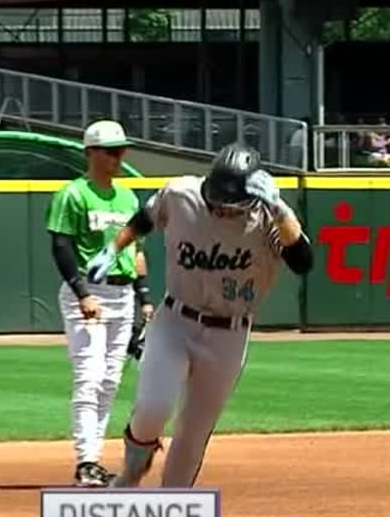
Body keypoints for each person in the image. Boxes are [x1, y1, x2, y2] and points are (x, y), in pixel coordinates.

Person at [83, 142, 314, 488]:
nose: (221, 211)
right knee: (153, 408)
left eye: (229, 206)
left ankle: (172, 514)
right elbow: (146, 219)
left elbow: (303, 261)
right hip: (175, 321)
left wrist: (281, 210)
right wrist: (114, 247)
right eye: (217, 202)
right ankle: (131, 472)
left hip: (229, 335)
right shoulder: (181, 194)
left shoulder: (267, 217)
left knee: (193, 432)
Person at [45, 119, 153, 487]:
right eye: (110, 151)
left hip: (123, 295)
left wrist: (145, 299)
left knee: (109, 380)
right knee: (89, 378)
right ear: (90, 153)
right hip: (88, 294)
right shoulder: (73, 194)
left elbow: (136, 250)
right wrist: (82, 293)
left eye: (121, 150)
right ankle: (85, 461)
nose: (117, 157)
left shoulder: (128, 197)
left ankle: (94, 461)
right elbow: (60, 246)